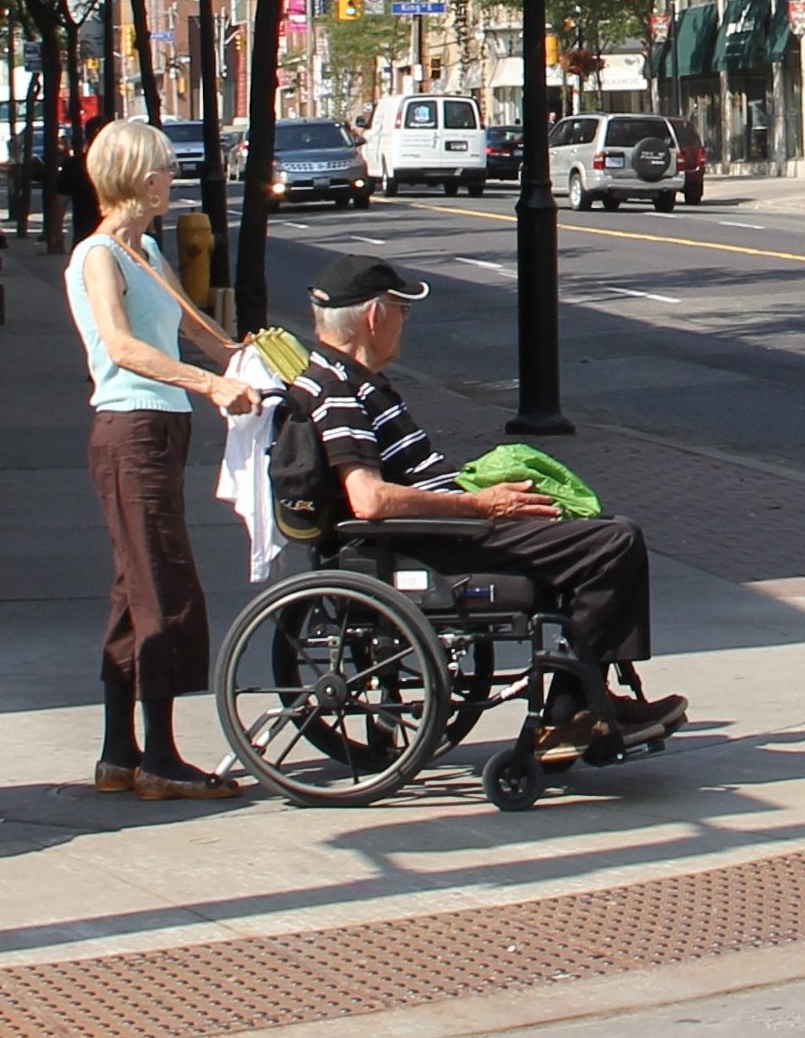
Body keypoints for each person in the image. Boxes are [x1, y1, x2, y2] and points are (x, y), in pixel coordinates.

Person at [289, 256, 685, 762]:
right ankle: (567, 712)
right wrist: (479, 504)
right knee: (614, 544)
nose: (406, 319)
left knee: (594, 528)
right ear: (372, 317)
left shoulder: (350, 379)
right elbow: (369, 498)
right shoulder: (340, 393)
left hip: (445, 528)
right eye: (400, 309)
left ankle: (588, 700)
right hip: (433, 542)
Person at [69, 119, 260, 801]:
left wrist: (250, 362)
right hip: (130, 430)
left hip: (162, 430)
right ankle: (162, 757)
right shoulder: (99, 256)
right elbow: (122, 348)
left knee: (133, 589)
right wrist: (210, 385)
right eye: (162, 170)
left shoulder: (145, 249)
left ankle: (119, 753)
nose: (169, 182)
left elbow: (190, 324)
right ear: (133, 175)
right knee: (163, 585)